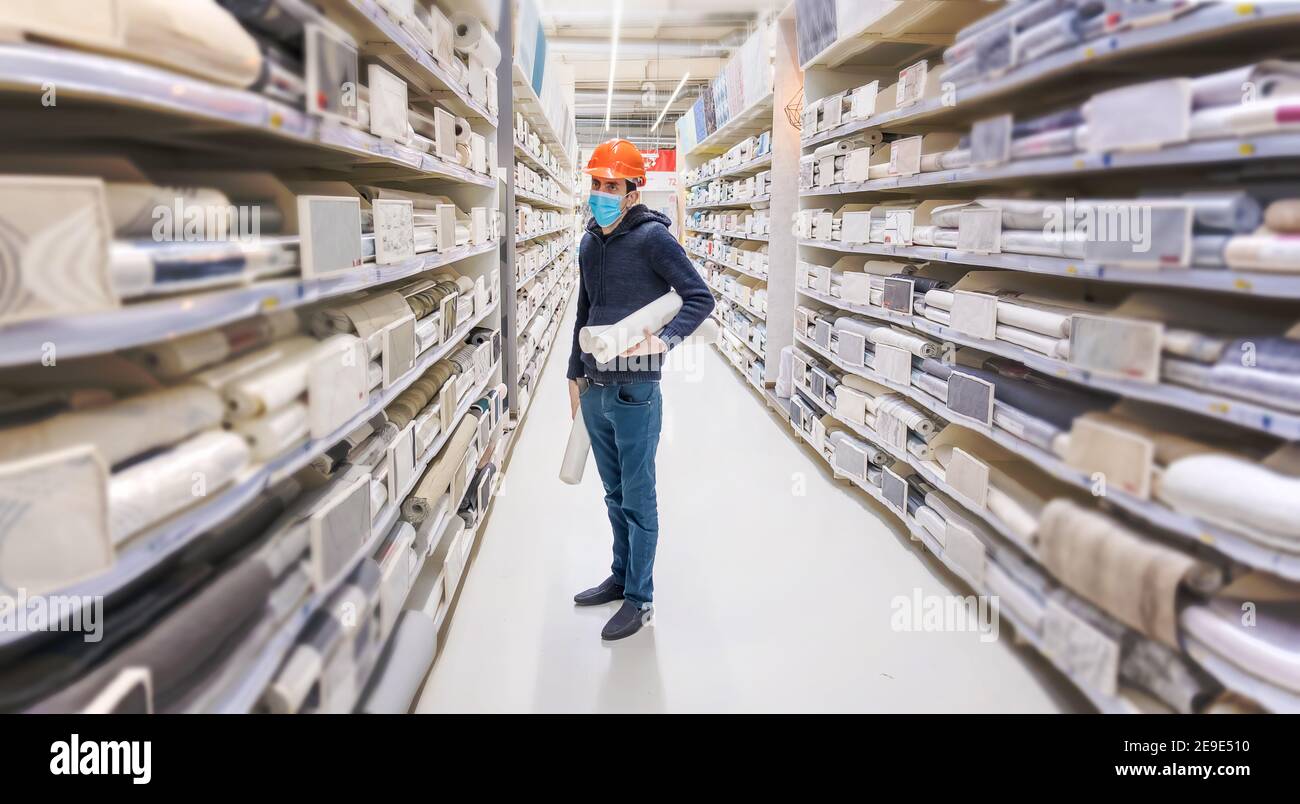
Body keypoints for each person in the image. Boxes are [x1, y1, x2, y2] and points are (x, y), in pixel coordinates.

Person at [566, 138, 714, 641]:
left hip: (636, 390)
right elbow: (583, 313)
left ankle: (640, 597)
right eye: (596, 184)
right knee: (612, 493)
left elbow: (699, 298)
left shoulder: (653, 240)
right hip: (595, 388)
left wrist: (664, 340)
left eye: (612, 185)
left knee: (638, 496)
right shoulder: (588, 241)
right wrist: (573, 372)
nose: (601, 193)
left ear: (632, 191)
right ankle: (619, 575)